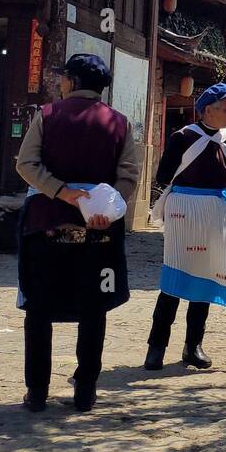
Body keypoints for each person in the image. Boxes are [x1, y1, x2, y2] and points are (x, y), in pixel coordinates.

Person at [15, 53, 143, 413]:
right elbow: (129, 175)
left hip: (46, 224)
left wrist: (60, 191)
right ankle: (85, 391)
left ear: (70, 81)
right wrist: (103, 209)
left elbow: (26, 164)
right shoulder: (119, 123)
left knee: (38, 309)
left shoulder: (48, 115)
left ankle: (37, 392)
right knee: (93, 308)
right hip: (98, 232)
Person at [145, 82, 226, 370]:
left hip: (216, 210)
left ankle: (193, 345)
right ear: (207, 109)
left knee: (206, 277)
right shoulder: (183, 137)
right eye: (225, 107)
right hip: (185, 209)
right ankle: (156, 346)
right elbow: (163, 175)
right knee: (176, 276)